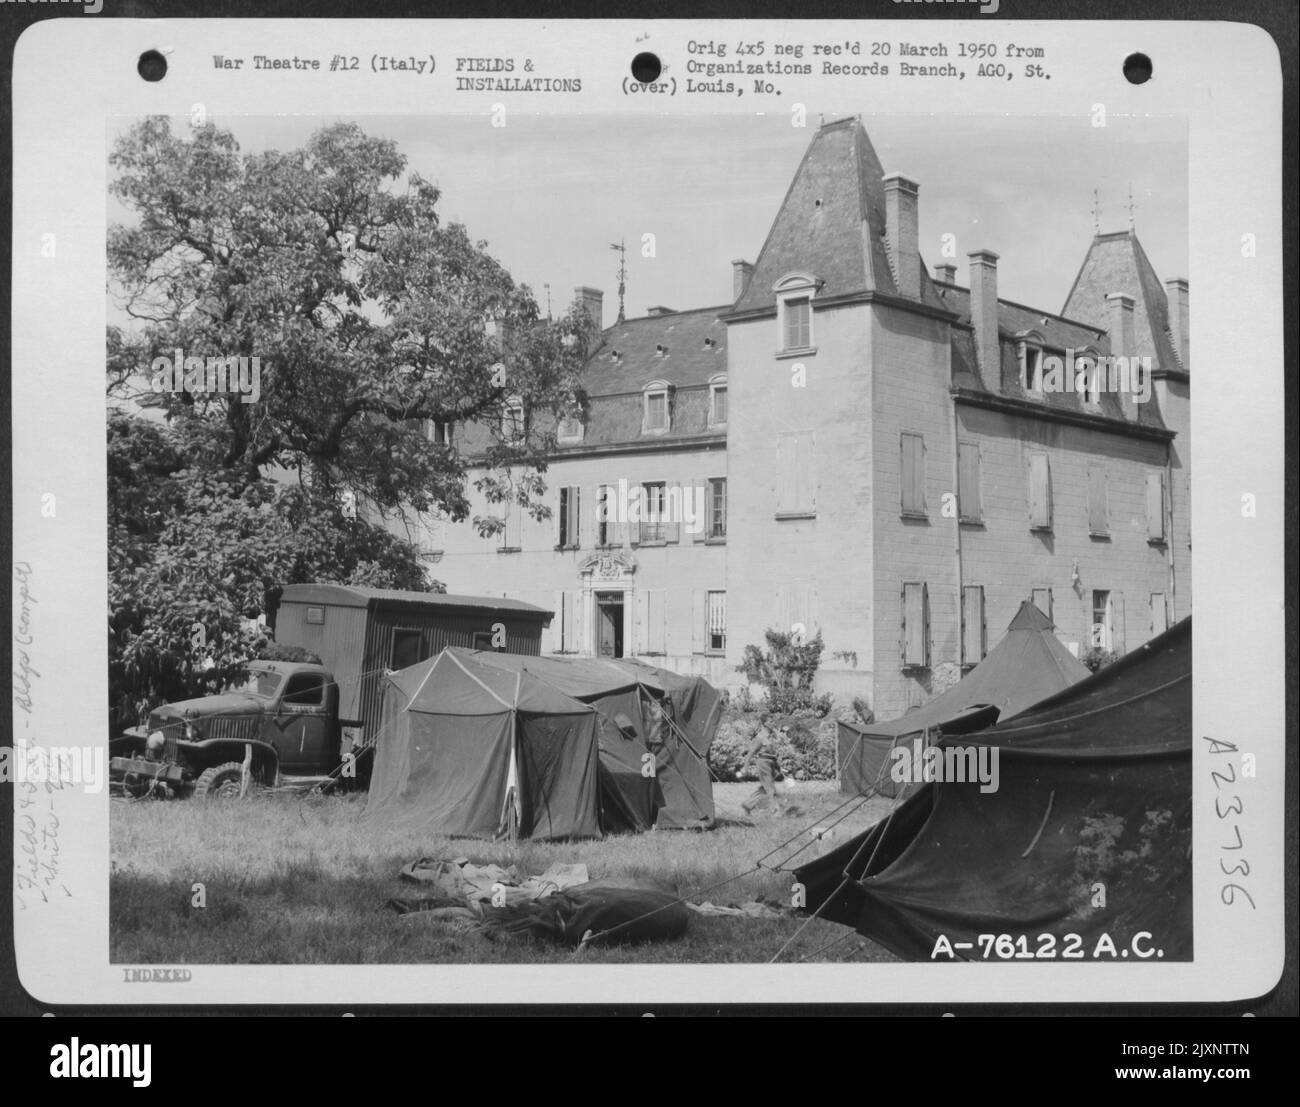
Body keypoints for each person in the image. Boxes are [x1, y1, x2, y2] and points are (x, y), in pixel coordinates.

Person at [740, 714, 781, 815]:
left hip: (771, 763)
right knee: (770, 788)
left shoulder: (771, 736)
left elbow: (773, 754)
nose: (773, 723)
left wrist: (778, 768)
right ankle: (775, 811)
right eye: (771, 721)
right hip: (763, 764)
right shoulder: (760, 737)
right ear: (765, 723)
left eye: (773, 721)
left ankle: (747, 804)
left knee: (765, 787)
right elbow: (750, 754)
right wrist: (745, 768)